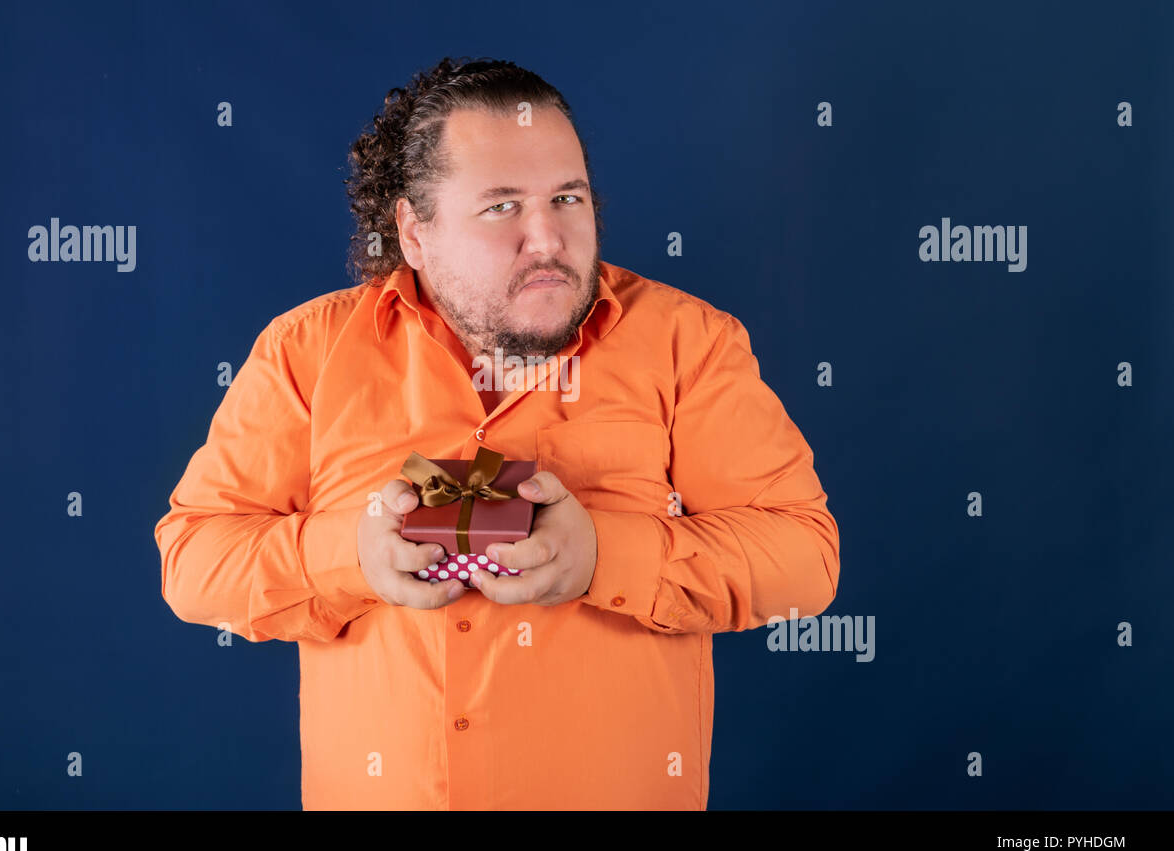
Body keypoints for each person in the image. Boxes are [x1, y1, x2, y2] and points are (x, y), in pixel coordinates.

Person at [154, 56, 840, 809]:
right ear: (415, 232)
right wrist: (349, 555)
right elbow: (194, 559)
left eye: (567, 198)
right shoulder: (304, 353)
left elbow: (804, 557)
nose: (547, 239)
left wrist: (605, 556)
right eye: (502, 206)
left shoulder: (690, 343)